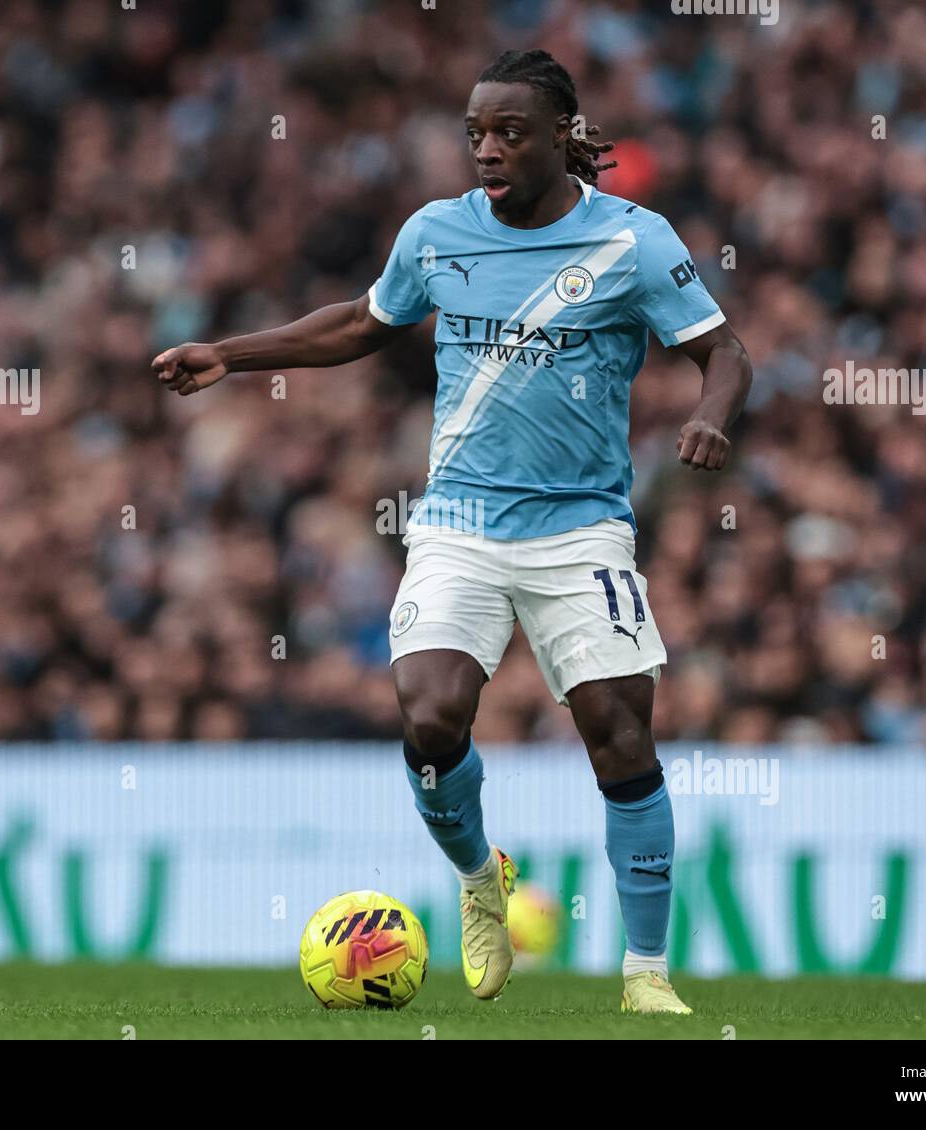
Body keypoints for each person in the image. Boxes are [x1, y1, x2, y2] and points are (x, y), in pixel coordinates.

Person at [152, 49, 752, 1014]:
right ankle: (481, 880)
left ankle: (645, 973)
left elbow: (721, 349)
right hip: (459, 522)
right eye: (475, 132)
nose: (487, 149)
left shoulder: (633, 244)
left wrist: (712, 414)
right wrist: (229, 351)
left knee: (620, 735)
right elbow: (360, 322)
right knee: (430, 716)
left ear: (562, 135)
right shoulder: (437, 233)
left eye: (509, 132)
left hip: (581, 529)